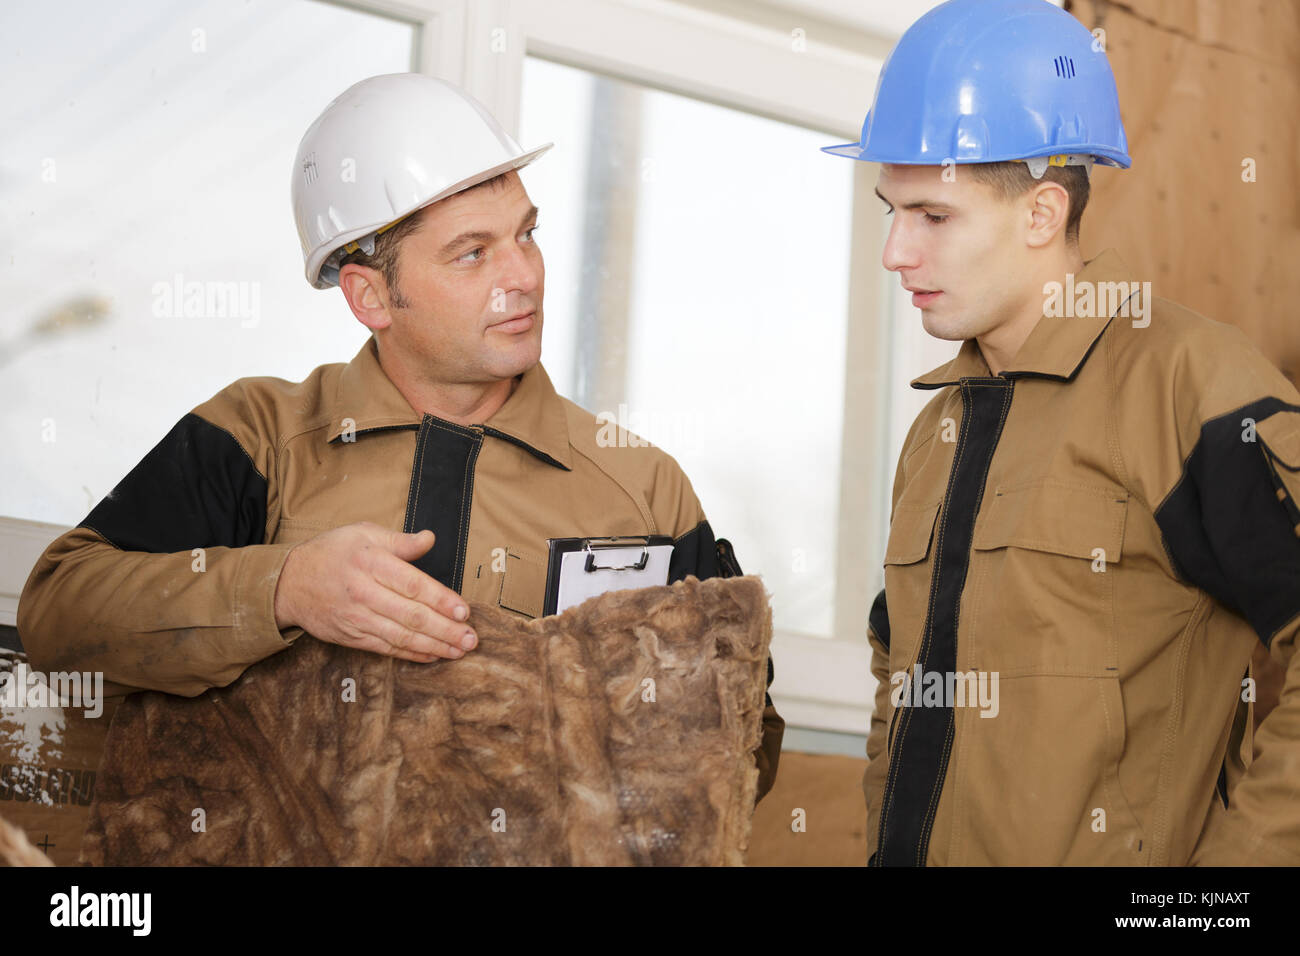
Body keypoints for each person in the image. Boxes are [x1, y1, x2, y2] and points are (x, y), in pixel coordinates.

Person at [18, 72, 784, 800]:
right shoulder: (260, 437)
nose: (523, 275)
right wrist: (285, 589)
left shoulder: (638, 487)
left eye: (528, 234)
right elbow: (60, 616)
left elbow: (750, 739)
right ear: (372, 296)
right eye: (473, 252)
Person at [822, 0, 1300, 864]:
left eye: (933, 216)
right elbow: (901, 699)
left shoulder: (1187, 385)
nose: (895, 251)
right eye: (891, 209)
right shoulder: (939, 432)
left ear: (1042, 214)